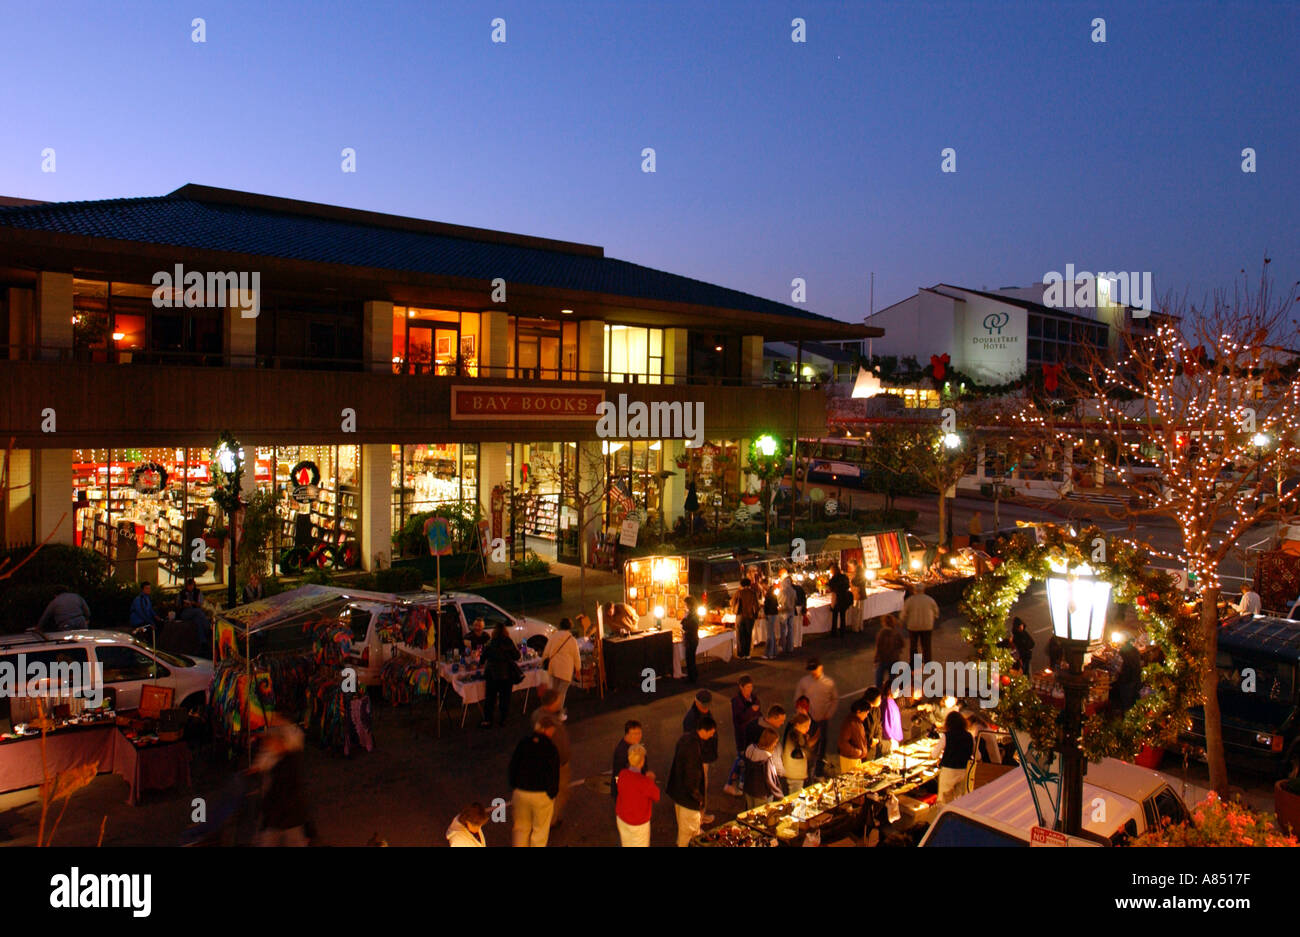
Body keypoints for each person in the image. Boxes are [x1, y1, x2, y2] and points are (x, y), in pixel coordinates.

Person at [253, 720, 310, 846]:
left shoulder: (287, 763)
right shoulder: (277, 759)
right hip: (283, 818)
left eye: (270, 742)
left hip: (284, 818)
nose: (267, 745)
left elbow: (281, 791)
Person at [508, 714, 561, 846]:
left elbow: (513, 766)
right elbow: (554, 774)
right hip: (541, 795)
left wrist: (514, 786)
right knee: (540, 830)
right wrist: (552, 794)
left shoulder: (524, 742)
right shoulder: (550, 748)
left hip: (521, 792)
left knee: (521, 829)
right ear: (547, 729)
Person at [667, 714, 717, 847]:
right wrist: (699, 798)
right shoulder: (693, 748)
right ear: (704, 730)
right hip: (688, 800)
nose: (712, 736)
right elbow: (691, 778)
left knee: (685, 831)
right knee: (688, 833)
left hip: (678, 793)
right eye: (711, 733)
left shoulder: (685, 738)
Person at [530, 689, 572, 826]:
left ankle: (550, 817)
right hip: (556, 763)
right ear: (552, 702)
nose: (560, 703)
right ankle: (550, 820)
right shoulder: (544, 720)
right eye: (558, 701)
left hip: (555, 761)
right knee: (558, 792)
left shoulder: (542, 715)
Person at [794, 658, 838, 780]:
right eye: (811, 670)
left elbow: (834, 699)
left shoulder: (828, 683)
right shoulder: (804, 682)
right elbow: (798, 699)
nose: (813, 672)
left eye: (814, 669)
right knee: (808, 747)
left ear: (820, 668)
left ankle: (818, 771)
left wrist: (829, 713)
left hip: (823, 719)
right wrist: (802, 712)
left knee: (822, 745)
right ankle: (807, 771)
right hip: (809, 720)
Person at [682, 689, 718, 823]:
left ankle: (701, 815)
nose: (705, 709)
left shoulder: (703, 713)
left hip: (704, 756)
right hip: (698, 759)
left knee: (702, 787)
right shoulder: (691, 719)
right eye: (703, 706)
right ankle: (698, 820)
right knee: (698, 788)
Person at [723, 676, 762, 795]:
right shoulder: (737, 702)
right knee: (742, 759)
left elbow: (759, 714)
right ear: (741, 687)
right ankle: (732, 783)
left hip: (753, 735)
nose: (749, 689)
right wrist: (751, 710)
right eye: (747, 687)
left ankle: (740, 783)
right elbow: (739, 718)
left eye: (751, 687)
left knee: (746, 760)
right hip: (742, 737)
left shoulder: (754, 698)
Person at [615, 744, 660, 846]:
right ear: (642, 761)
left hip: (622, 819)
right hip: (638, 824)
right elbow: (656, 796)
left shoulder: (622, 774)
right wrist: (651, 780)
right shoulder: (645, 783)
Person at [480, 622, 521, 728]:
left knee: (490, 698)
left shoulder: (490, 643)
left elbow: (482, 659)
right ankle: (503, 719)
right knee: (505, 698)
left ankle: (488, 720)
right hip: (507, 674)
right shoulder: (509, 642)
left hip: (492, 674)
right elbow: (516, 656)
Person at [932, 710, 975, 804]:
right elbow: (977, 756)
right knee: (960, 801)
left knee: (944, 801)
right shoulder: (969, 736)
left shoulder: (947, 736)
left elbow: (934, 754)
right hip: (963, 771)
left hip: (948, 771)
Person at [542, 618, 582, 707]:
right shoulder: (572, 639)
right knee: (561, 693)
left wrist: (543, 662)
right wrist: (578, 669)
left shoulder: (553, 636)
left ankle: (551, 710)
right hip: (565, 670)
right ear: (570, 626)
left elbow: (546, 652)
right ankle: (558, 713)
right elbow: (576, 656)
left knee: (554, 692)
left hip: (553, 668)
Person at [742, 727, 785, 808]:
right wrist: (779, 794)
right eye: (775, 742)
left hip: (748, 788)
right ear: (771, 742)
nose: (775, 745)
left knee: (749, 812)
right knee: (760, 815)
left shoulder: (750, 748)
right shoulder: (766, 757)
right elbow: (769, 779)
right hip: (761, 792)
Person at [900, 583, 940, 667]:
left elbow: (903, 613)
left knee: (913, 646)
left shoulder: (910, 600)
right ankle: (928, 662)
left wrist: (902, 620)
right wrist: (934, 617)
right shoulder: (929, 600)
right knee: (926, 645)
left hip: (913, 626)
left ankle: (914, 663)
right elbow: (936, 612)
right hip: (927, 626)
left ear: (914, 591)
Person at [781, 712, 815, 793]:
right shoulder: (795, 736)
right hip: (795, 774)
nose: (808, 728)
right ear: (798, 724)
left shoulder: (795, 733)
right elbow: (805, 753)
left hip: (794, 772)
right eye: (805, 726)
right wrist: (808, 744)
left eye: (809, 726)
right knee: (795, 796)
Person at [611, 720, 644, 801]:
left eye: (639, 733)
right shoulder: (622, 753)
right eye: (634, 734)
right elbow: (618, 777)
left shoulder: (633, 744)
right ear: (627, 734)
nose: (638, 736)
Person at [837, 700, 873, 773]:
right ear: (858, 711)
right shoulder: (850, 723)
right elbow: (842, 742)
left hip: (856, 758)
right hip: (850, 759)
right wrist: (858, 752)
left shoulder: (858, 722)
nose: (866, 715)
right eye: (865, 713)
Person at [874, 613, 906, 691]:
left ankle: (879, 692)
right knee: (892, 678)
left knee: (879, 677)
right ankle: (890, 692)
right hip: (894, 659)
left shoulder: (882, 632)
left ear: (884, 623)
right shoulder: (896, 633)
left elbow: (879, 646)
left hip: (883, 658)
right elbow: (903, 644)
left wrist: (876, 658)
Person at [731, 577, 760, 659]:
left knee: (740, 635)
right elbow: (756, 605)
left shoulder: (738, 592)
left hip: (740, 616)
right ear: (749, 584)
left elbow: (732, 602)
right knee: (748, 634)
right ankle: (747, 654)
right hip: (750, 616)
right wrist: (756, 614)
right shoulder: (752, 593)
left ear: (741, 584)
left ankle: (741, 654)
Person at [1112, 635, 1142, 712]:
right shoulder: (1135, 650)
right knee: (1134, 702)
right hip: (1137, 678)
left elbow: (1118, 667)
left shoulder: (1122, 651)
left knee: (1126, 703)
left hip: (1126, 680)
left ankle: (1126, 720)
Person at [775, 568, 798, 656]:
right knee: (791, 629)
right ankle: (790, 647)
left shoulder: (782, 591)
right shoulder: (793, 591)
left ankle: (783, 646)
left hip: (784, 612)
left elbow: (779, 601)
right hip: (791, 610)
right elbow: (795, 600)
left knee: (783, 630)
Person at [827, 563, 852, 638]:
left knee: (835, 616)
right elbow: (848, 586)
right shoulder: (844, 577)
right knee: (842, 616)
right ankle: (842, 631)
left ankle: (834, 632)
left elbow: (831, 589)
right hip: (844, 598)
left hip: (837, 599)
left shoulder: (833, 579)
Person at [680, 596, 701, 683]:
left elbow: (688, 626)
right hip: (692, 638)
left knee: (690, 659)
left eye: (685, 604)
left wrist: (684, 622)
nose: (685, 606)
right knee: (691, 658)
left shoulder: (692, 614)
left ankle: (692, 678)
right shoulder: (692, 613)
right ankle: (693, 675)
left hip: (691, 638)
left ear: (689, 604)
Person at [760, 570, 780, 658]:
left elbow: (770, 604)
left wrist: (765, 612)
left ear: (764, 584)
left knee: (770, 635)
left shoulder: (769, 593)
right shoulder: (773, 591)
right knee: (772, 633)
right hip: (773, 613)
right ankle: (774, 652)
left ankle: (769, 654)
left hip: (770, 614)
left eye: (762, 586)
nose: (762, 588)